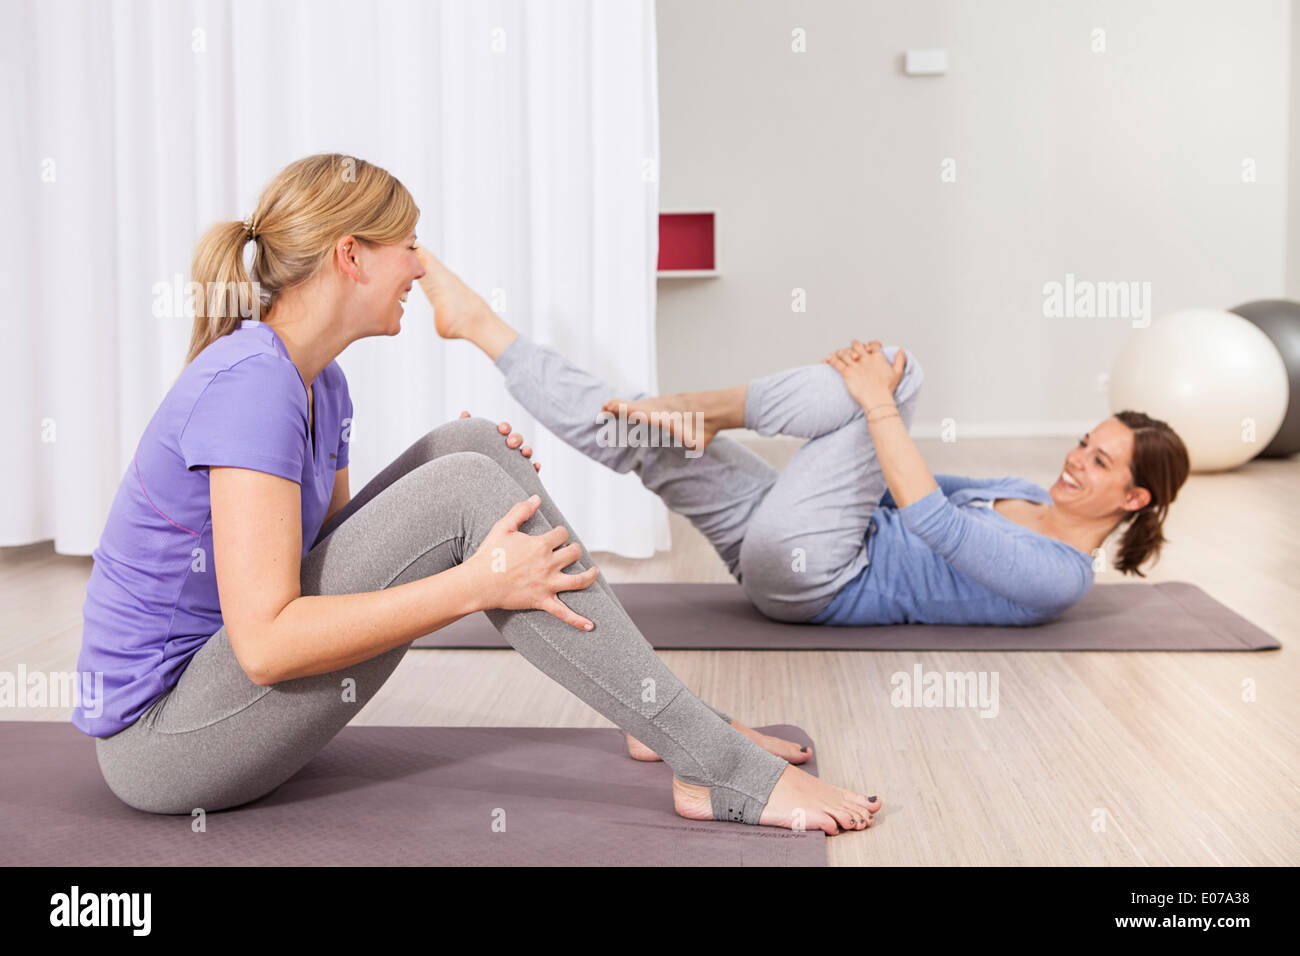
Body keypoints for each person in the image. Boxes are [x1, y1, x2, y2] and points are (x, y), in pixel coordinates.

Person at [71, 153, 879, 836]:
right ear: (351, 256)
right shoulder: (252, 387)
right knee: (461, 487)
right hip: (165, 745)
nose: (419, 268)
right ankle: (714, 762)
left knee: (472, 449)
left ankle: (660, 718)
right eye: (408, 246)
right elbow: (268, 645)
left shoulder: (321, 383)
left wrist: (461, 496)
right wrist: (475, 582)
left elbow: (326, 553)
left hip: (223, 696)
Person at [414, 247, 1191, 634]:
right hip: (796, 534)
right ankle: (483, 330)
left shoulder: (1060, 578)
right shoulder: (1023, 496)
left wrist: (872, 403)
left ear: (1133, 496)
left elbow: (930, 521)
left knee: (899, 374)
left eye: (1098, 459)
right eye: (1084, 441)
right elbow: (890, 484)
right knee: (646, 436)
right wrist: (837, 445)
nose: (1073, 460)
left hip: (821, 579)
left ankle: (706, 406)